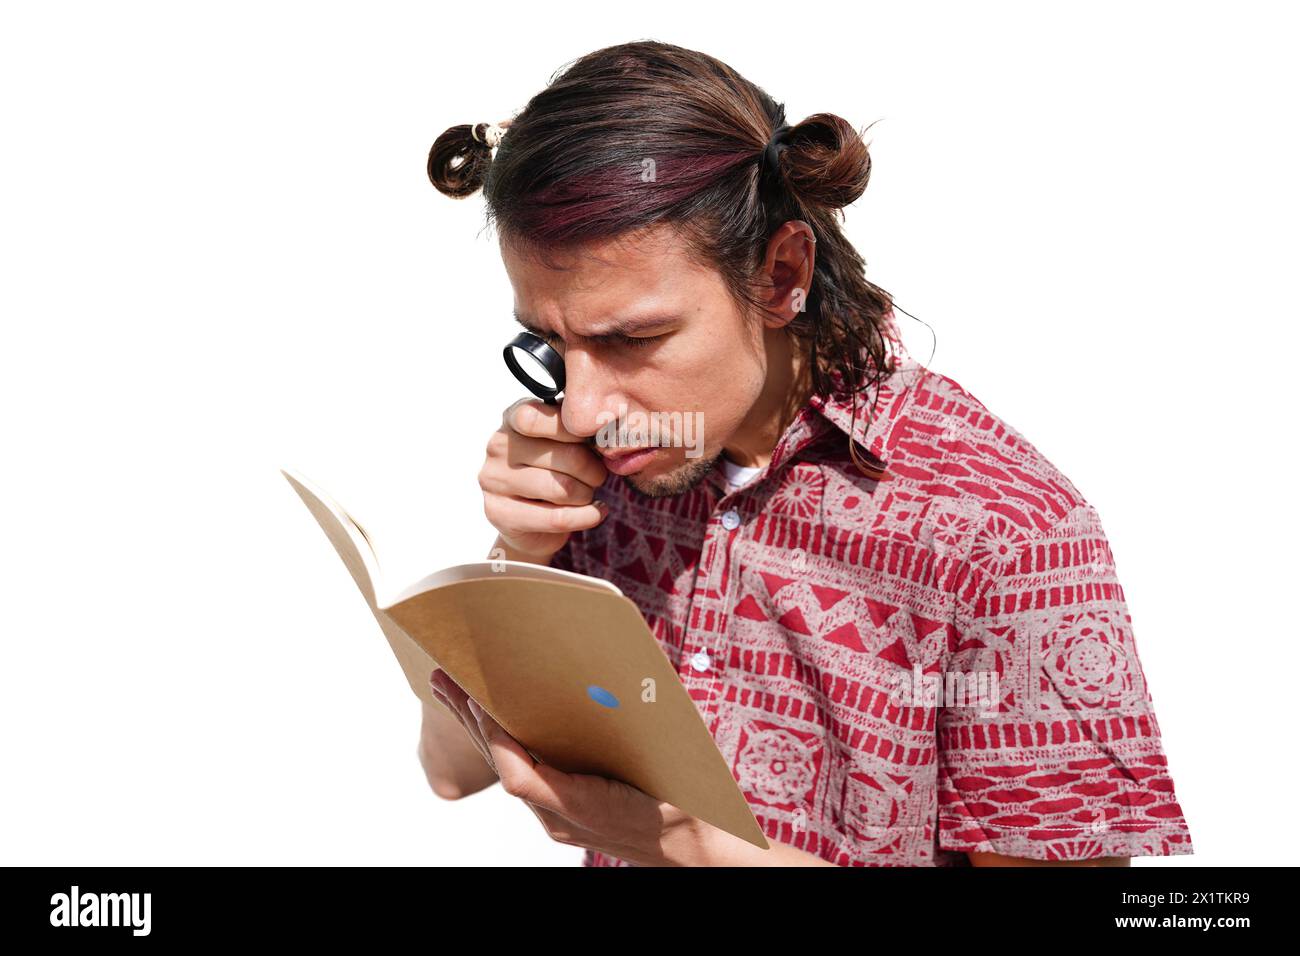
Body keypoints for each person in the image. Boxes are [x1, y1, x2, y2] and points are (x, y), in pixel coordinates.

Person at [418, 40, 1194, 867]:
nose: (583, 406)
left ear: (782, 272)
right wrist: (516, 557)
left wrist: (687, 847)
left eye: (634, 337)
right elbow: (451, 767)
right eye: (550, 342)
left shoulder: (1007, 536)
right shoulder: (607, 468)